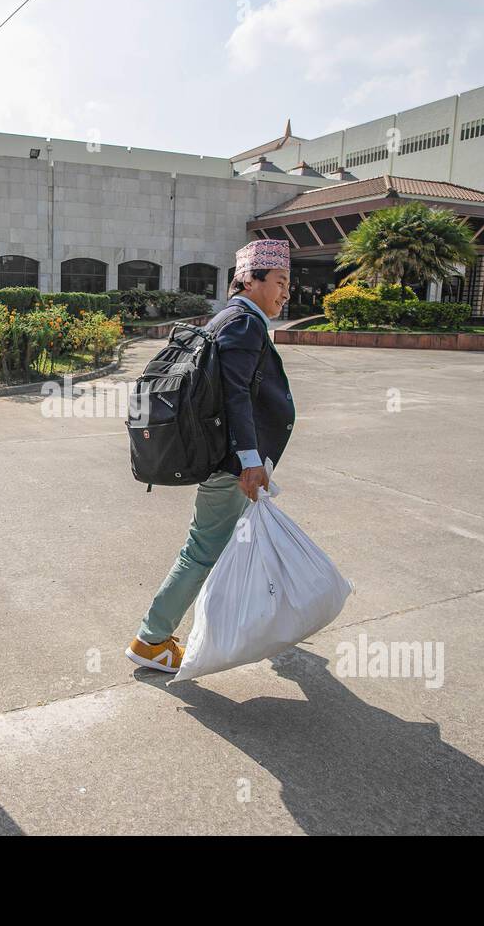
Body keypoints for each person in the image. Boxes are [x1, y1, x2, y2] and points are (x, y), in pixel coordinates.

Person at [126, 238, 295, 674]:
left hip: (227, 458)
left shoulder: (228, 318)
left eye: (287, 284)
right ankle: (152, 639)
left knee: (238, 545)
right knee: (202, 551)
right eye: (279, 282)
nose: (285, 293)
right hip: (232, 464)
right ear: (251, 280)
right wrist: (250, 459)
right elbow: (236, 395)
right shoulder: (244, 324)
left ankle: (248, 623)